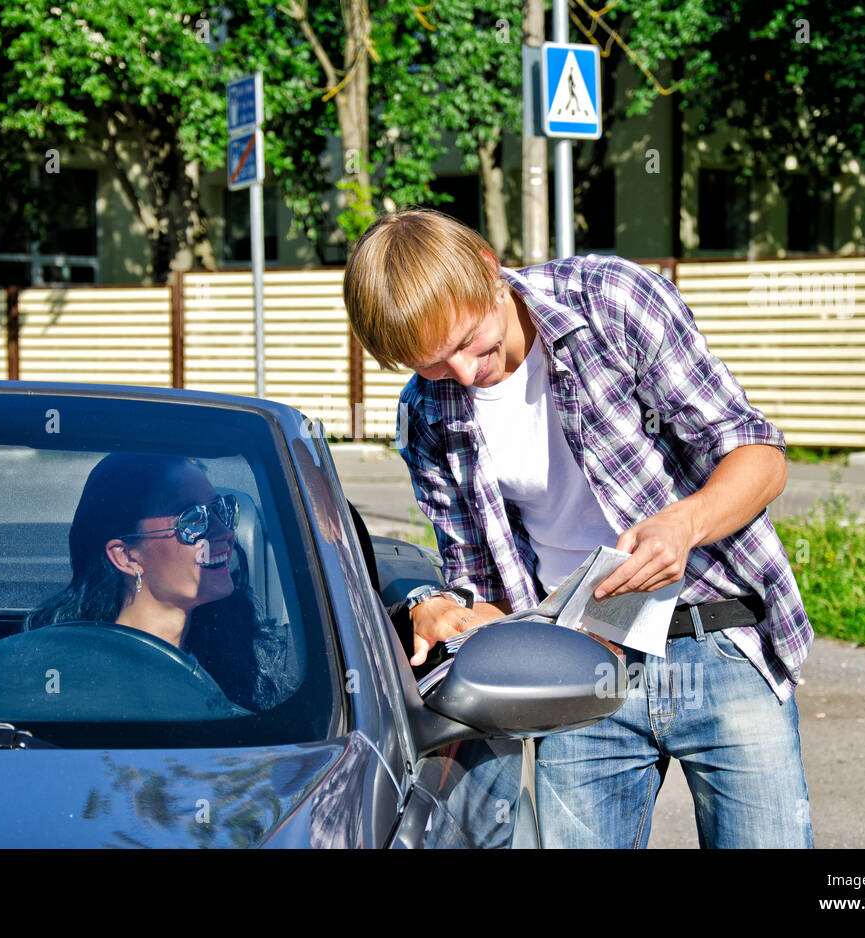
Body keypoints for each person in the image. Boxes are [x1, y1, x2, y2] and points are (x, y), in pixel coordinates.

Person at [343, 207, 814, 848]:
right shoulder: (427, 413)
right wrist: (440, 607)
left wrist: (684, 523)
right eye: (428, 364)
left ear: (488, 268)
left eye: (466, 342)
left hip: (717, 638)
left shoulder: (610, 301)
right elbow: (485, 590)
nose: (461, 374)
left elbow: (759, 455)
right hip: (579, 665)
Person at [26, 452, 296, 712]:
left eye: (223, 509)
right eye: (193, 520)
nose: (225, 532)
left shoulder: (263, 655)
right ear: (127, 557)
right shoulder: (61, 677)